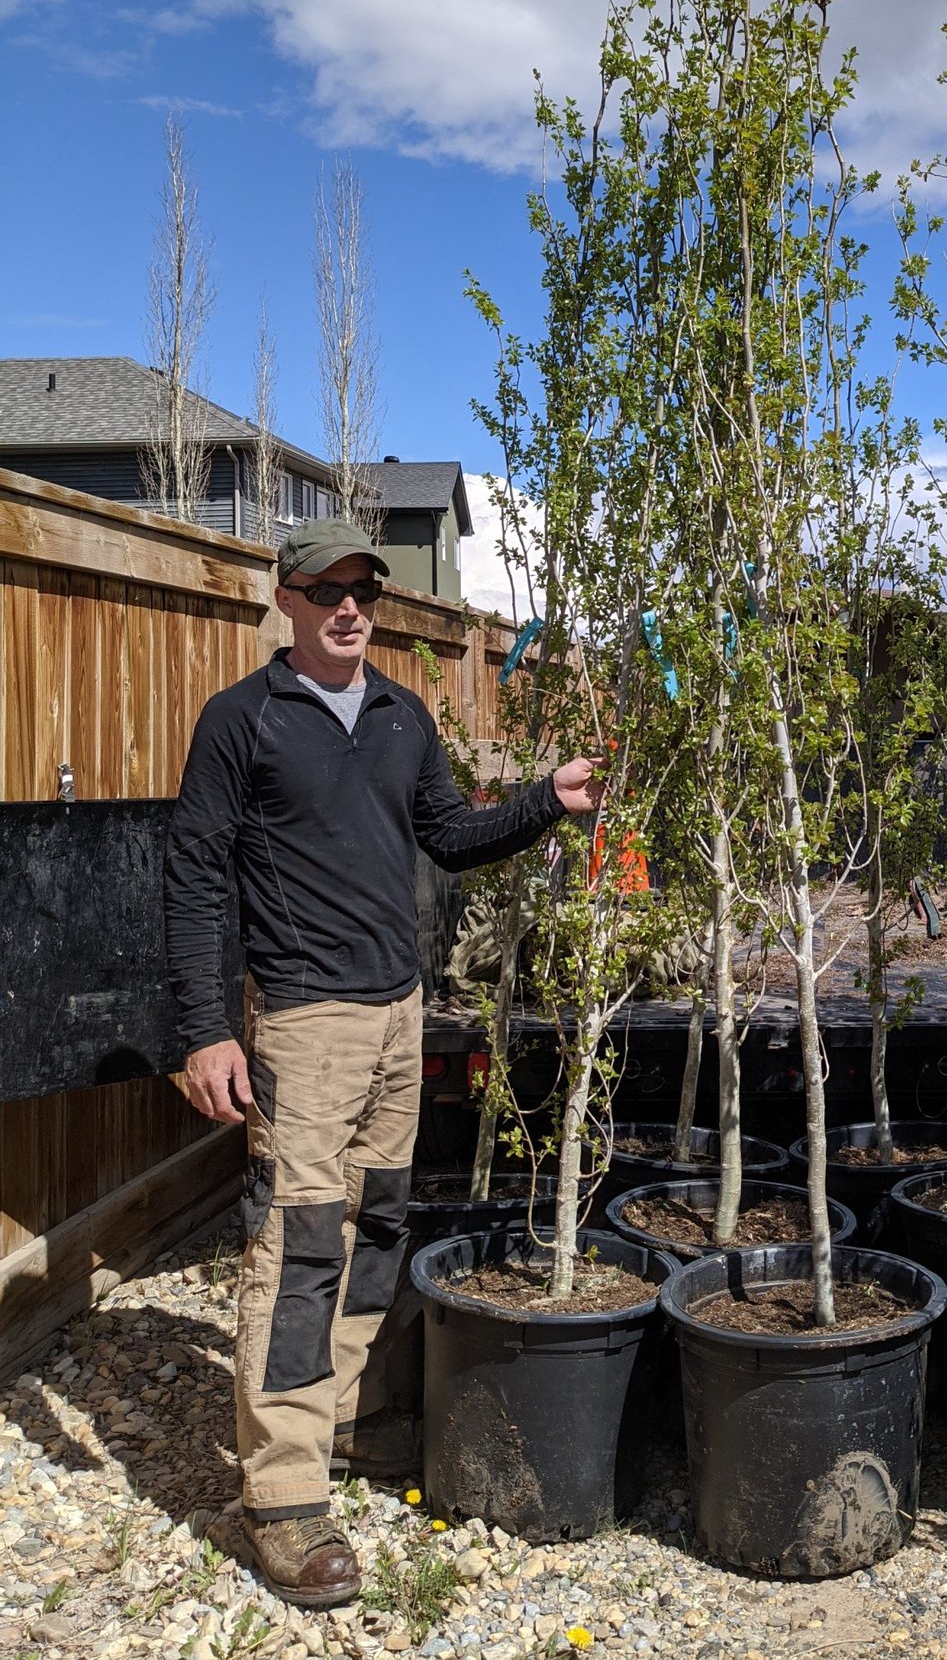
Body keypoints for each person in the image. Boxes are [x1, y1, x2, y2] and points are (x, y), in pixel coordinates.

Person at [165, 520, 601, 1608]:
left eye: (364, 588)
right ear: (287, 600)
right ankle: (283, 1498)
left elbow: (449, 837)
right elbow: (194, 881)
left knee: (378, 1226)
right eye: (327, 590)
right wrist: (204, 1028)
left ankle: (341, 1418)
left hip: (400, 1015)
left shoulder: (404, 714)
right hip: (304, 1025)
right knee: (301, 1245)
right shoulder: (242, 721)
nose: (350, 606)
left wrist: (548, 801)